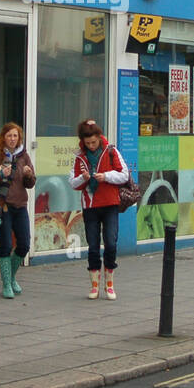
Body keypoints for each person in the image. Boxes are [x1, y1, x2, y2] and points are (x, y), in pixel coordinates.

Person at [69, 119, 129, 300]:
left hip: (110, 203)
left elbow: (124, 175)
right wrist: (84, 178)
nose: (92, 146)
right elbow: (72, 182)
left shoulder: (111, 151)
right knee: (93, 246)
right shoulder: (80, 156)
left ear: (99, 138)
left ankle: (109, 284)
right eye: (88, 143)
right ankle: (94, 285)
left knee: (111, 243)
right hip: (90, 206)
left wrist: (106, 176)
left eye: (94, 142)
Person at [0, 122, 35, 299]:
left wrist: (28, 175)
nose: (12, 139)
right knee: (5, 244)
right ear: (3, 137)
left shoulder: (24, 156)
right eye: (9, 135)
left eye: (16, 136)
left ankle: (11, 277)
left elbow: (30, 183)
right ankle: (6, 284)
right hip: (2, 204)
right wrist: (0, 175)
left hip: (20, 204)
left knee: (25, 244)